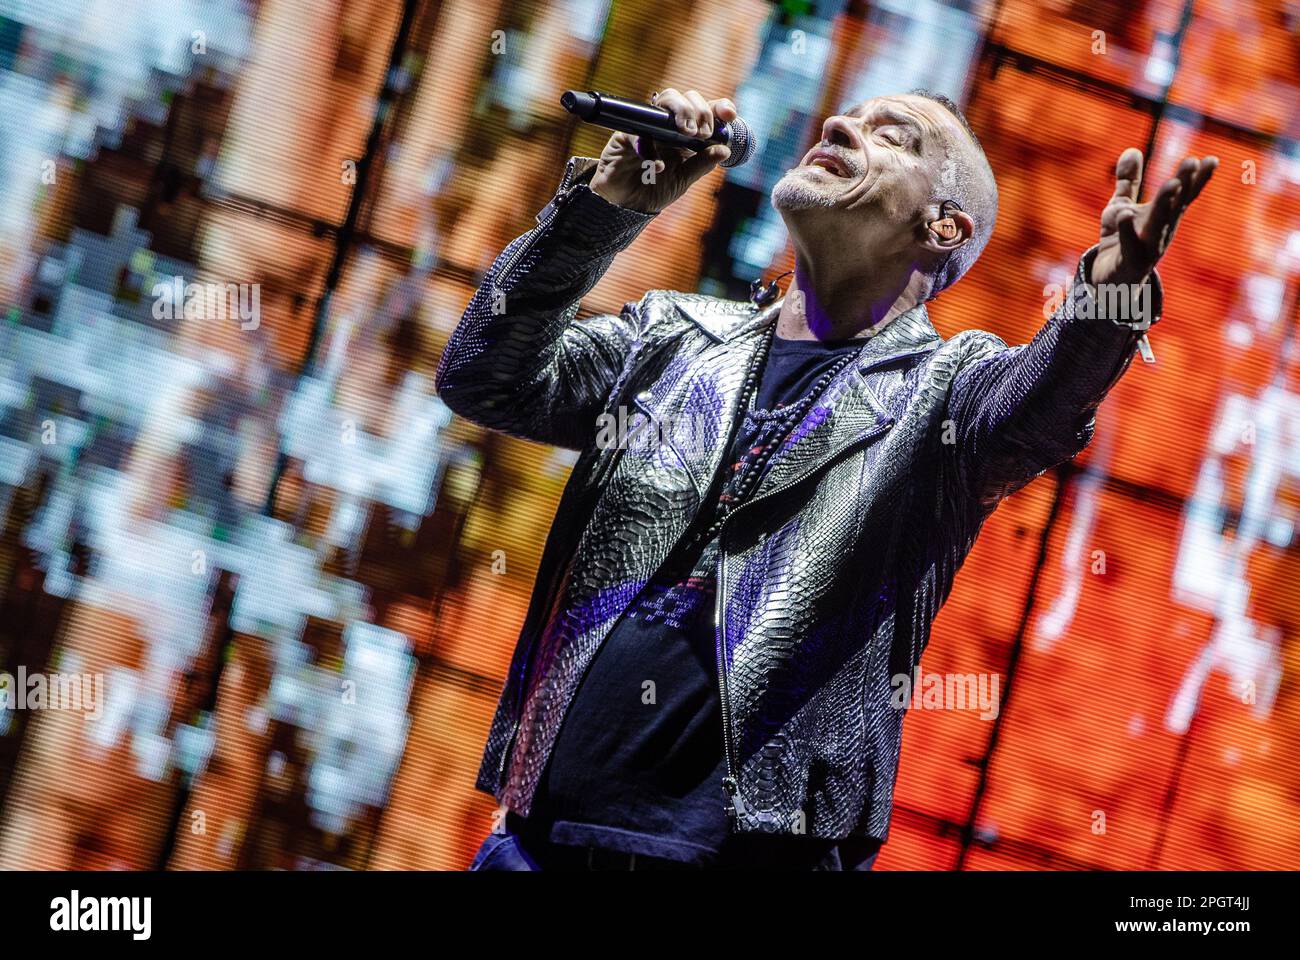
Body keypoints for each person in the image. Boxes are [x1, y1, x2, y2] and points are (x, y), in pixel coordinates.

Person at [437, 87, 1216, 870]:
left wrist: (1109, 296)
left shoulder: (946, 394)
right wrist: (604, 210)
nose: (839, 124)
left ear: (944, 227)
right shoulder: (672, 338)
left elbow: (1045, 400)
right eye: (848, 115)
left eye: (895, 138)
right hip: (537, 843)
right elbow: (484, 377)